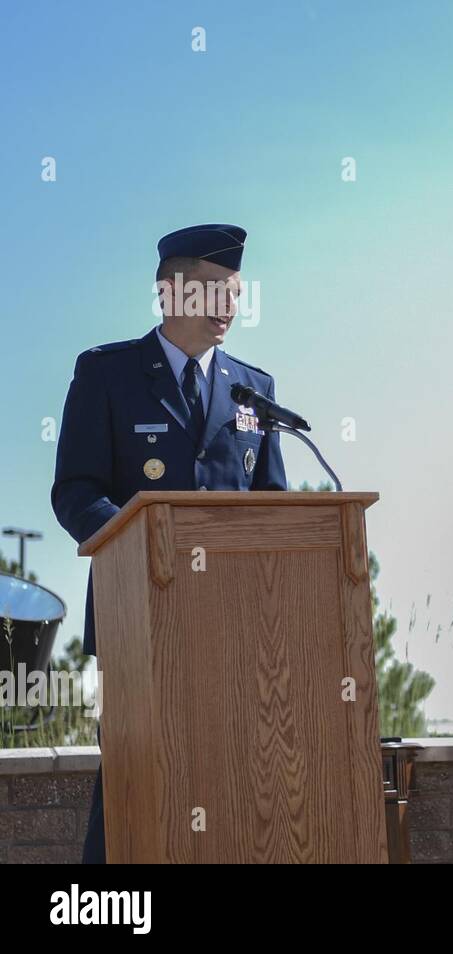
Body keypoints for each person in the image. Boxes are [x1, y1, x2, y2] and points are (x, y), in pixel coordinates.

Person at [51, 223, 287, 863]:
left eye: (235, 292)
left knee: (233, 776)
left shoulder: (254, 390)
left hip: (233, 622)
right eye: (212, 290)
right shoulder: (107, 374)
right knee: (135, 778)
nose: (227, 306)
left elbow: (272, 507)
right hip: (140, 616)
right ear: (168, 293)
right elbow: (75, 490)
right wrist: (146, 547)